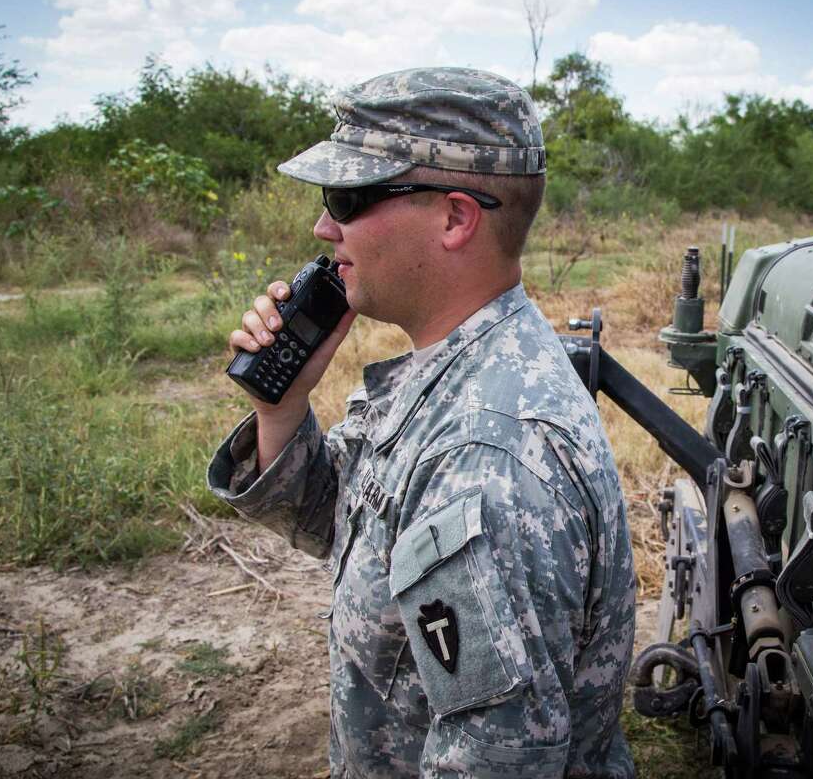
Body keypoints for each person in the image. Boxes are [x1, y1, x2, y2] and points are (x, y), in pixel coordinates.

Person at [208, 67, 637, 778]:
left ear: (455, 218)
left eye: (348, 198)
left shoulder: (489, 455)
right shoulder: (452, 367)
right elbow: (344, 524)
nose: (323, 227)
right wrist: (280, 410)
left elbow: (496, 761)